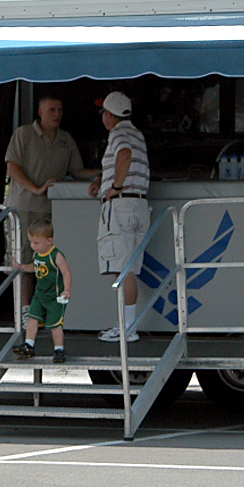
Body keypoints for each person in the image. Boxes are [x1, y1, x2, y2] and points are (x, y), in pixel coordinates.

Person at [3, 95, 95, 315]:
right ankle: (25, 310)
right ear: (40, 112)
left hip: (54, 209)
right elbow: (12, 166)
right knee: (24, 257)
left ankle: (48, 307)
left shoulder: (66, 139)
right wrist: (35, 188)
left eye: (60, 110)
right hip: (23, 206)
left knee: (51, 259)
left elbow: (77, 171)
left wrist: (105, 172)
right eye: (52, 110)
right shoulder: (23, 134)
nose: (57, 115)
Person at [88, 91, 150, 343]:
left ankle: (127, 328)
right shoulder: (137, 133)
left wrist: (115, 186)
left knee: (122, 270)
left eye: (103, 112)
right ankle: (127, 325)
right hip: (139, 206)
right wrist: (102, 179)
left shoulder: (118, 134)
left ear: (110, 115)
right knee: (130, 268)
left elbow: (124, 155)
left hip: (121, 206)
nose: (102, 116)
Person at [12, 220, 73, 364]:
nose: (33, 246)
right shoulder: (37, 254)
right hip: (40, 295)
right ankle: (29, 344)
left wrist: (67, 289)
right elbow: (35, 267)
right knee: (32, 318)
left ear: (49, 241)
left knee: (54, 324)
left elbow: (66, 272)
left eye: (36, 243)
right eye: (31, 242)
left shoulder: (56, 255)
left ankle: (59, 349)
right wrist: (21, 267)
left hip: (55, 296)